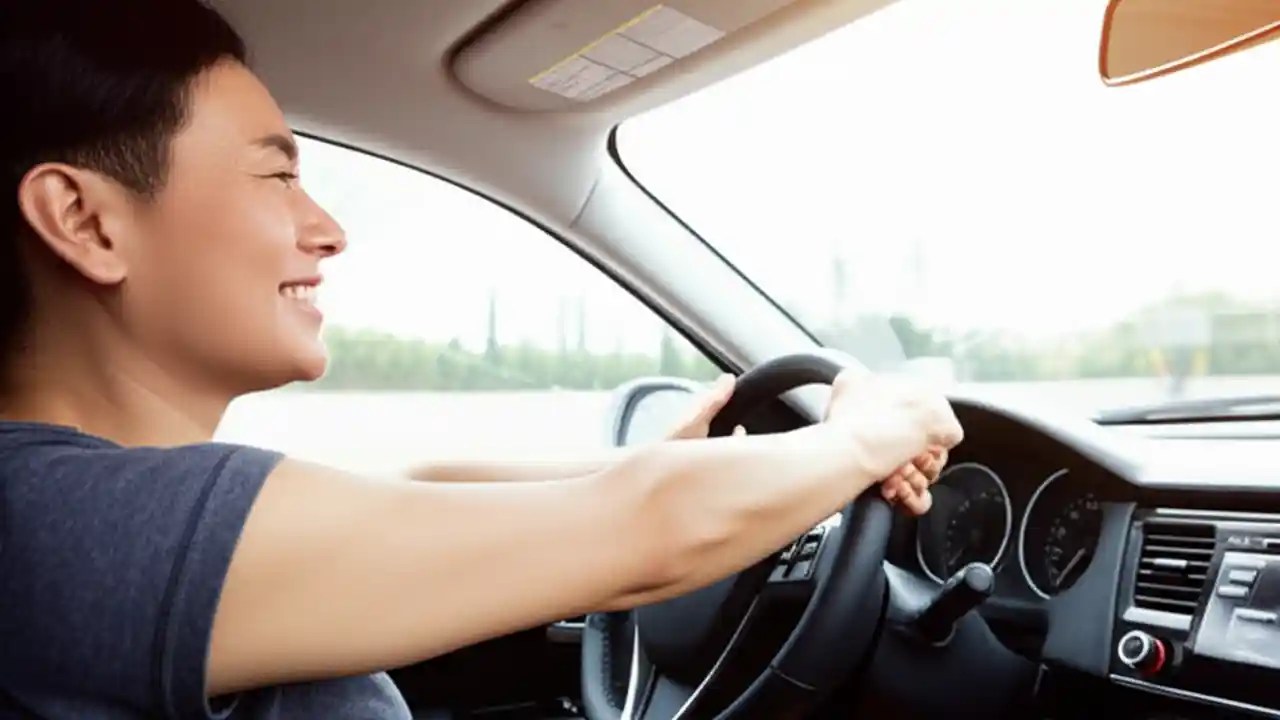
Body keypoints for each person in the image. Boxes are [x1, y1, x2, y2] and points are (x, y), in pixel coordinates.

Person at [0, 1, 962, 718]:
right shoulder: (56, 527)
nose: (327, 229)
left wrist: (664, 458)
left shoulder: (93, 509)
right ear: (84, 220)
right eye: (278, 173)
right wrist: (875, 430)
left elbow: (412, 484)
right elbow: (643, 532)